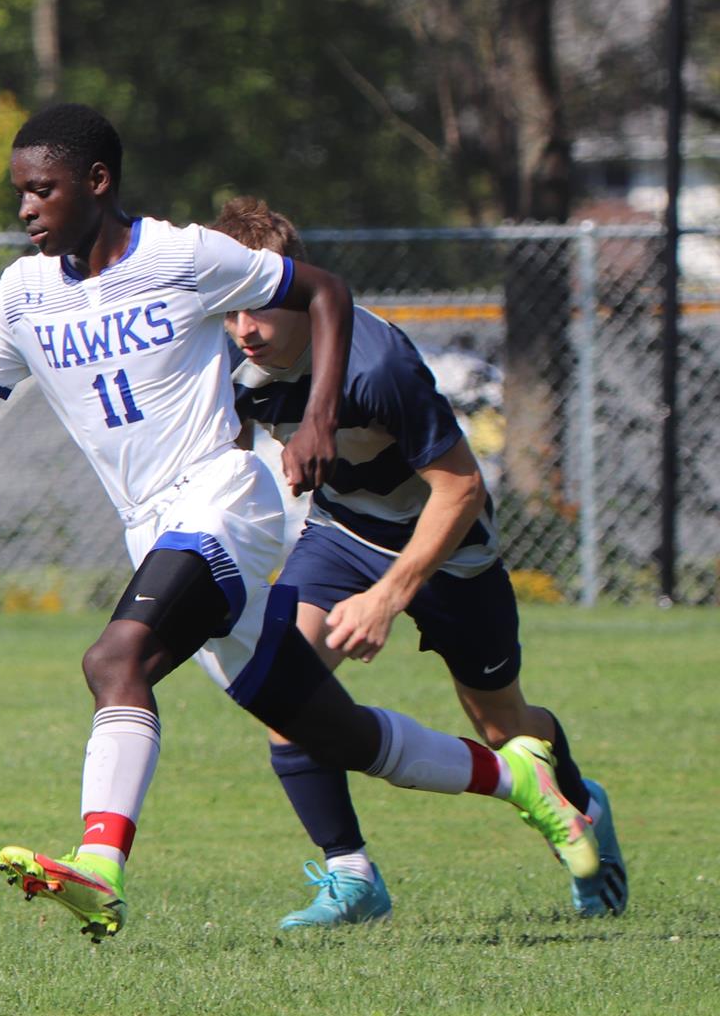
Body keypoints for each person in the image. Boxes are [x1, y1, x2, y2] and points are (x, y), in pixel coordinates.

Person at [0, 102, 596, 942]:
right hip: (151, 527)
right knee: (331, 729)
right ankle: (518, 781)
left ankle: (100, 865)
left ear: (97, 183)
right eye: (20, 192)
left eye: (42, 190)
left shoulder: (180, 253)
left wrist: (316, 419)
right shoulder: (23, 294)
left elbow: (324, 293)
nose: (25, 207)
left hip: (222, 500)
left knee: (115, 656)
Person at [211, 196, 626, 928]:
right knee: (287, 694)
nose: (244, 329)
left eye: (259, 310)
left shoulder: (377, 365)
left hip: (451, 552)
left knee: (505, 728)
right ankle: (353, 874)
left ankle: (584, 809)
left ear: (300, 290)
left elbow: (462, 488)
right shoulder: (233, 362)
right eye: (229, 310)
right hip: (340, 536)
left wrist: (389, 596)